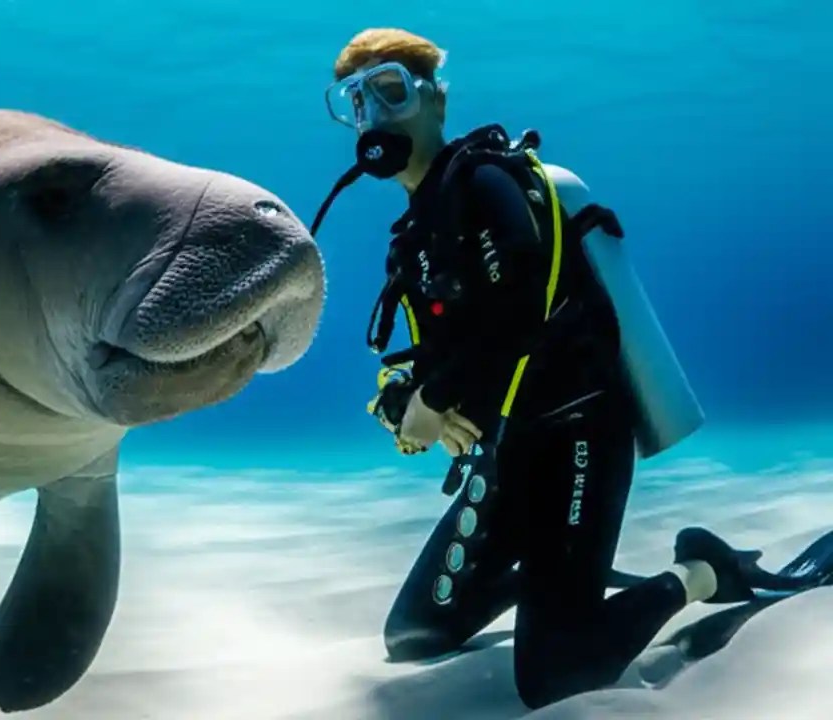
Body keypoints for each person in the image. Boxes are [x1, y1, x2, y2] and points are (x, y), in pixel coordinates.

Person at [306, 27, 765, 709]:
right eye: (355, 102)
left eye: (391, 91)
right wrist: (402, 402)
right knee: (415, 633)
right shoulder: (414, 236)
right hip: (509, 453)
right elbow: (420, 352)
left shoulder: (485, 180)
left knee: (555, 677)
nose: (374, 115)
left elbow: (523, 304)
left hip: (577, 436)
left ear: (436, 100)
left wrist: (436, 396)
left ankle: (701, 571)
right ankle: (557, 575)